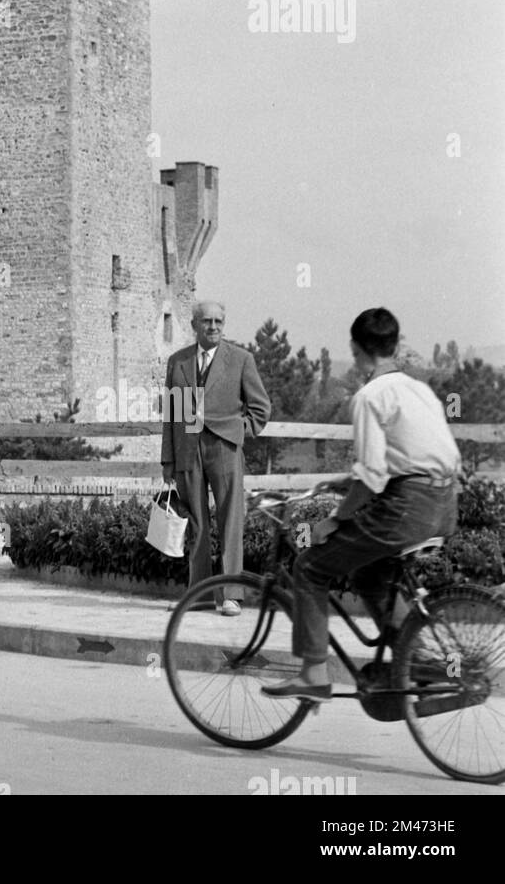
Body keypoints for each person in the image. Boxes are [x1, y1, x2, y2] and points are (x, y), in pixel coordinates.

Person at [264, 307, 461, 702]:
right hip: (443, 502)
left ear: (356, 349)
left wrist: (334, 520)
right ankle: (416, 660)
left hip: (406, 508)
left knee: (310, 567)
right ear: (394, 345)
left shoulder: (369, 396)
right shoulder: (420, 390)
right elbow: (402, 459)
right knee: (371, 574)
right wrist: (344, 481)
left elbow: (372, 475)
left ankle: (314, 674)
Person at [161, 300, 270, 614]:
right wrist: (168, 458)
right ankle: (200, 594)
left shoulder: (241, 360)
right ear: (194, 325)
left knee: (230, 519)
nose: (213, 327)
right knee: (196, 521)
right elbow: (171, 414)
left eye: (218, 321)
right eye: (206, 321)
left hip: (224, 448)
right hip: (187, 449)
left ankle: (231, 595)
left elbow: (261, 410)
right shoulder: (177, 362)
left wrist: (238, 430)